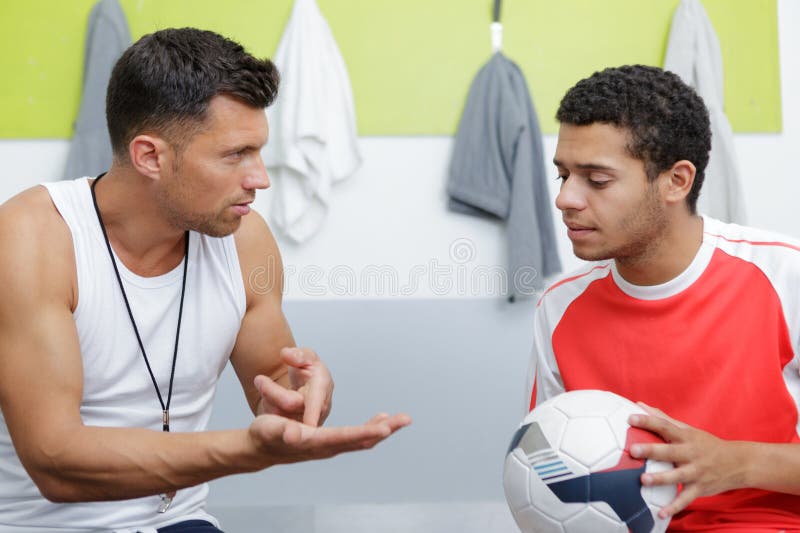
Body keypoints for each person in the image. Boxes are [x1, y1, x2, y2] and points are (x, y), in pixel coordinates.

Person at [0, 28, 410, 532]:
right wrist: (246, 450)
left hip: (184, 522)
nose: (260, 178)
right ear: (150, 156)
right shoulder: (33, 237)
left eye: (259, 152)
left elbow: (275, 391)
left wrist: (300, 400)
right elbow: (55, 461)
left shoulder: (246, 240)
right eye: (235, 154)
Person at [529, 64, 800, 530]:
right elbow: (541, 464)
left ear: (677, 180)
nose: (566, 199)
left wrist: (738, 463)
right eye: (563, 176)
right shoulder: (558, 306)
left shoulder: (785, 275)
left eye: (596, 180)